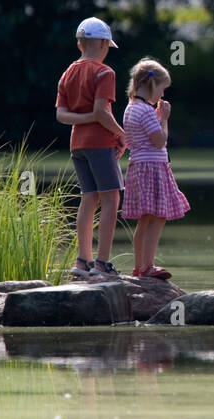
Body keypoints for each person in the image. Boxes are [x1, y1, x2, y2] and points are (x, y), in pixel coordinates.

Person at [55, 17, 126, 277]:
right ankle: (102, 263)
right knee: (111, 198)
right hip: (99, 143)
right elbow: (101, 112)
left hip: (77, 145)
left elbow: (61, 116)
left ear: (79, 44)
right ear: (104, 44)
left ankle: (81, 262)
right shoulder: (105, 72)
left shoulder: (68, 73)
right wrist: (122, 134)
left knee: (88, 199)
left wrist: (84, 119)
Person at [121, 58, 189, 279]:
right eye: (161, 89)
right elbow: (160, 141)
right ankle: (148, 266)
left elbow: (140, 138)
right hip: (152, 167)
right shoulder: (146, 111)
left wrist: (157, 117)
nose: (162, 95)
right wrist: (165, 119)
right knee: (157, 216)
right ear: (150, 85)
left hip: (138, 166)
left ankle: (139, 267)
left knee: (146, 218)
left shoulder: (131, 108)